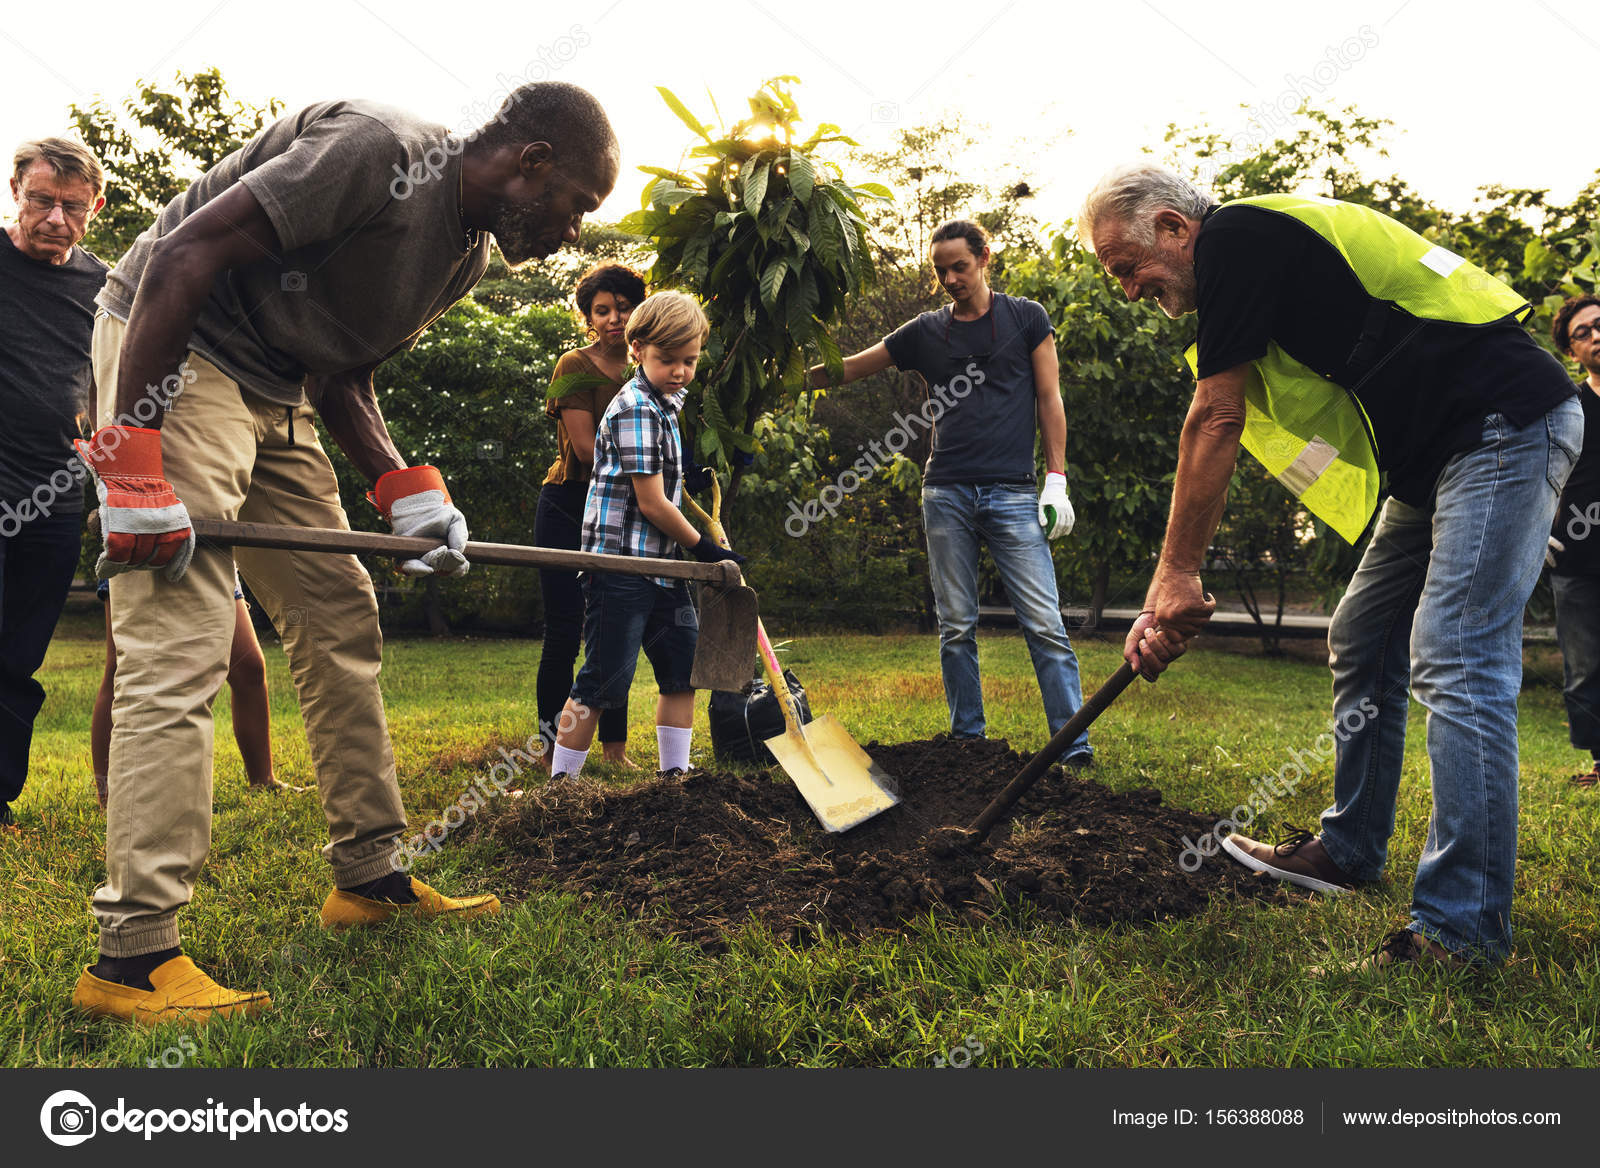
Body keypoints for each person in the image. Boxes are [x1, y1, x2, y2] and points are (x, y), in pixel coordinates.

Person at [70, 82, 619, 1026]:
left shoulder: (464, 256)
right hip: (178, 349)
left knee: (340, 615)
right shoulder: (378, 149)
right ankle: (133, 956)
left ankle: (368, 876)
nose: (573, 232)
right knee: (183, 633)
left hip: (278, 387)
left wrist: (407, 491)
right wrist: (134, 459)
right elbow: (181, 253)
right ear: (532, 162)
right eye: (577, 202)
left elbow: (340, 369)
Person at [1079, 163, 1581, 971]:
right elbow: (1226, 408)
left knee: (1456, 654)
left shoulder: (1237, 235)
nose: (1129, 290)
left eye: (1126, 267)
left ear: (1175, 227)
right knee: (1363, 634)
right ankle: (1348, 852)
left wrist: (1174, 576)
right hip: (1437, 458)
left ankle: (1462, 930)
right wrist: (1175, 576)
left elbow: (1216, 415)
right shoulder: (1250, 280)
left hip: (1503, 424)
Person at [806, 219, 1091, 764]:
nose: (950, 279)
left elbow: (1050, 399)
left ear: (985, 257)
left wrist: (1056, 478)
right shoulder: (925, 332)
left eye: (959, 266)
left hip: (1012, 493)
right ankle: (968, 742)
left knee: (1045, 625)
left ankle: (1072, 747)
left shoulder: (1026, 319)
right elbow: (851, 369)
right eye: (941, 271)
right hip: (946, 494)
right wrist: (789, 377)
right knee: (956, 625)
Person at [548, 291, 744, 781]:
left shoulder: (665, 402)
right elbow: (652, 503)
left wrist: (686, 480)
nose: (679, 371)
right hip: (621, 567)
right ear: (636, 349)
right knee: (602, 679)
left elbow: (660, 484)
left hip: (661, 566)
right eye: (667, 360)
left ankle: (673, 777)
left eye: (690, 361)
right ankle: (561, 784)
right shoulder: (637, 406)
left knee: (682, 671)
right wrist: (703, 549)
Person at [0, 138, 108, 831]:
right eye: (43, 201)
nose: (56, 219)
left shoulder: (103, 285)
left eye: (73, 207)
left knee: (19, 653)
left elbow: (111, 381)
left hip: (55, 498)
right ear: (16, 191)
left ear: (95, 209)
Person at [536, 262, 647, 770]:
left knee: (616, 628)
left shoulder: (651, 367)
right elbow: (584, 451)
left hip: (625, 509)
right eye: (602, 310)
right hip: (568, 505)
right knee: (564, 630)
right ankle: (547, 747)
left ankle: (615, 750)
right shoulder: (573, 366)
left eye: (623, 307)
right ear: (588, 318)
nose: (614, 318)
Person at [91, 570, 302, 807]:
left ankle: (263, 780)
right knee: (119, 668)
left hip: (212, 554)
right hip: (142, 548)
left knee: (249, 666)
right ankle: (107, 796)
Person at [1545, 295, 1600, 788]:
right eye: (1582, 333)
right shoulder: (1570, 408)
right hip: (1578, 559)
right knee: (1586, 669)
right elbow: (1544, 474)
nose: (1596, 335)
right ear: (1571, 351)